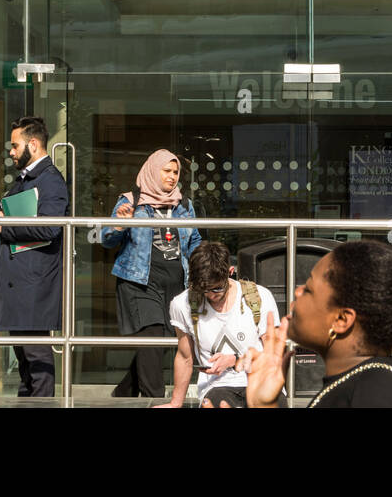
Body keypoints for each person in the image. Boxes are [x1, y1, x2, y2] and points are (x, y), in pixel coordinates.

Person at [234, 239, 392, 408]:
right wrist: (263, 403)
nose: (297, 292)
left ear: (342, 320)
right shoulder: (360, 383)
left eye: (308, 289)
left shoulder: (379, 391)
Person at [0, 115, 69, 397]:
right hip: (21, 282)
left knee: (37, 363)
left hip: (33, 284)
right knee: (26, 365)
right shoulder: (27, 179)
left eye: (15, 146)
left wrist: (4, 225)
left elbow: (49, 226)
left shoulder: (50, 180)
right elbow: (16, 215)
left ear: (34, 144)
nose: (11, 152)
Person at [100, 149, 201, 398]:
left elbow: (194, 240)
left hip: (176, 285)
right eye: (166, 171)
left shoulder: (183, 205)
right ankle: (155, 400)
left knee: (163, 343)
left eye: (175, 172)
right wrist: (119, 224)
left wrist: (206, 262)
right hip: (140, 283)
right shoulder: (131, 201)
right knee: (154, 336)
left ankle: (124, 392)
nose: (172, 177)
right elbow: (107, 239)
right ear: (153, 170)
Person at [155, 241, 279, 408]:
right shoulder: (182, 304)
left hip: (261, 382)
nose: (210, 295)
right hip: (217, 387)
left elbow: (274, 356)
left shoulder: (260, 297)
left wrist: (235, 361)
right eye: (203, 290)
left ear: (230, 272)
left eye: (217, 289)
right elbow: (185, 357)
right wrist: (175, 403)